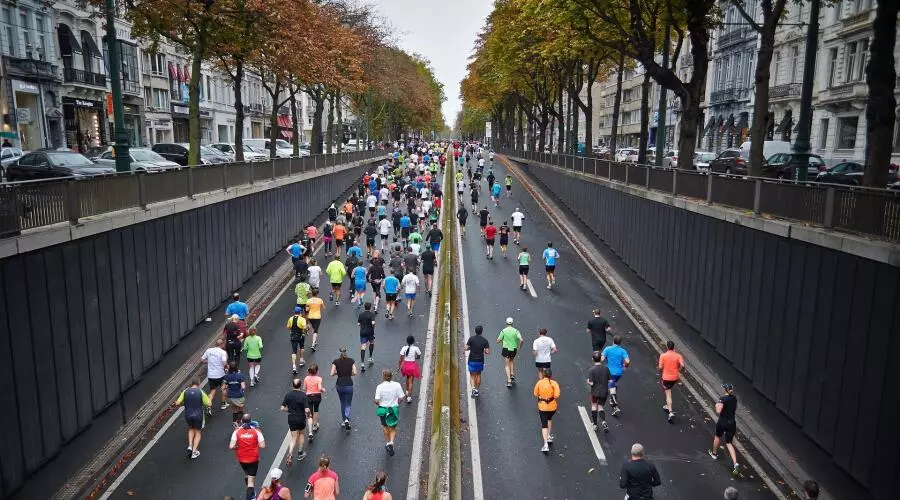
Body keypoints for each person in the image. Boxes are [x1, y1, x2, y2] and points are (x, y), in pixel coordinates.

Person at [231, 413, 266, 500]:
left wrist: (238, 447)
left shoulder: (237, 431)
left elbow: (231, 446)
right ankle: (251, 495)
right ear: (251, 421)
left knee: (247, 474)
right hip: (253, 459)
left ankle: (252, 493)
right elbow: (262, 445)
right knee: (251, 482)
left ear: (242, 421)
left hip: (242, 459)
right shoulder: (256, 431)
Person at [709, 383, 740, 476]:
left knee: (717, 437)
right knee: (729, 443)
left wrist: (717, 404)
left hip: (722, 422)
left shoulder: (722, 399)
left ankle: (714, 454)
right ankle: (735, 463)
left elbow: (718, 411)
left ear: (725, 390)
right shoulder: (734, 398)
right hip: (732, 423)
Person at [175, 380, 211, 459]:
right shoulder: (200, 391)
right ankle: (194, 452)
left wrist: (185, 403)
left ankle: (190, 446)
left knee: (191, 428)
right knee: (198, 432)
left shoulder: (185, 391)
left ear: (191, 384)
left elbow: (177, 403)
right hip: (198, 415)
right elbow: (209, 403)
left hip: (188, 415)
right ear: (198, 384)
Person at [374, 369, 405, 456]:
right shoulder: (397, 385)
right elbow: (401, 397)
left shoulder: (380, 387)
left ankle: (388, 442)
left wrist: (379, 404)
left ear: (383, 377)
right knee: (393, 427)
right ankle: (391, 442)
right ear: (391, 376)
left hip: (383, 409)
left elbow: (376, 400)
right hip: (393, 409)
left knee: (384, 426)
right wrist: (397, 403)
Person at [281, 378, 311, 466]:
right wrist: (308, 415)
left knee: (293, 437)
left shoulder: (288, 395)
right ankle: (300, 453)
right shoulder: (303, 395)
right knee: (301, 434)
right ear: (300, 385)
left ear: (292, 385)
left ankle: (290, 453)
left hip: (291, 418)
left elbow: (282, 408)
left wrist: (289, 410)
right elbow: (307, 409)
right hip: (301, 418)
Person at [601, 335, 630, 416]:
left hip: (610, 372)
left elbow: (602, 359)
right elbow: (627, 361)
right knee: (613, 384)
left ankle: (614, 405)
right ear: (620, 342)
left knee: (610, 385)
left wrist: (596, 359)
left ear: (613, 341)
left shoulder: (608, 349)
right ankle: (612, 398)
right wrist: (625, 366)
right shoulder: (623, 351)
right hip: (619, 373)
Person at [533, 368, 560, 453]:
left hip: (542, 407)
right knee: (549, 419)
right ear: (551, 376)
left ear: (544, 374)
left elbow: (535, 393)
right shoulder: (554, 383)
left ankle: (545, 445)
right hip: (552, 407)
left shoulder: (539, 383)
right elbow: (556, 395)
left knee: (544, 425)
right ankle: (548, 436)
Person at [331, 348, 357, 430]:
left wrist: (337, 372)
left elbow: (331, 373)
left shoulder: (335, 361)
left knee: (342, 402)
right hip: (349, 384)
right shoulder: (351, 361)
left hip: (339, 384)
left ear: (340, 353)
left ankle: (344, 419)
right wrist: (349, 373)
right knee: (348, 403)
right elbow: (355, 372)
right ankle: (347, 419)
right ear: (346, 352)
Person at [658, 340, 685, 423]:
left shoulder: (663, 355)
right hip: (675, 378)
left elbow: (660, 367)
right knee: (669, 391)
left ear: (667, 347)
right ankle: (667, 405)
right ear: (674, 347)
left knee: (668, 394)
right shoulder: (678, 356)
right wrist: (680, 371)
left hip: (666, 378)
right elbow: (683, 366)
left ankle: (670, 412)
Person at [201, 339, 229, 413]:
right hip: (220, 375)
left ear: (215, 344)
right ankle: (223, 404)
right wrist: (227, 366)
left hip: (211, 375)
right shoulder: (223, 352)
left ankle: (209, 406)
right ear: (222, 344)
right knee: (223, 388)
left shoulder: (208, 350)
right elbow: (224, 363)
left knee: (212, 391)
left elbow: (202, 360)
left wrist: (208, 361)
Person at [587, 351, 611, 433]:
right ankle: (603, 422)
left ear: (592, 359)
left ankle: (595, 424)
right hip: (604, 392)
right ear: (601, 359)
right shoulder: (606, 368)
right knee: (600, 407)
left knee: (594, 406)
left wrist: (588, 381)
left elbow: (592, 383)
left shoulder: (591, 370)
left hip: (595, 392)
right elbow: (610, 380)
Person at [497, 317, 523, 388]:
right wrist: (520, 346)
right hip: (514, 348)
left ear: (506, 322)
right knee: (512, 360)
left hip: (506, 349)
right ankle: (512, 373)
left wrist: (501, 341)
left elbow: (498, 340)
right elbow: (521, 339)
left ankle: (509, 380)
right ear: (512, 323)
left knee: (506, 364)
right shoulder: (516, 331)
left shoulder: (503, 331)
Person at [465, 325, 490, 398]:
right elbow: (487, 352)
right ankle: (477, 390)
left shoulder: (471, 339)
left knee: (472, 375)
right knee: (478, 374)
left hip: (472, 360)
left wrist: (470, 347)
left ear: (475, 331)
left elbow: (466, 348)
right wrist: (484, 350)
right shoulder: (485, 340)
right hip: (480, 360)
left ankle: (473, 389)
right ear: (482, 331)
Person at [398, 335, 422, 404]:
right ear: (413, 341)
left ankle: (407, 391)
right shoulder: (416, 348)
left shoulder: (404, 348)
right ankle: (409, 397)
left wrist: (399, 366)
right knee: (411, 381)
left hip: (405, 366)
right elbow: (419, 355)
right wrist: (416, 358)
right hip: (412, 366)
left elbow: (401, 358)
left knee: (407, 378)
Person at [304, 365, 324, 441]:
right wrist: (323, 390)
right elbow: (319, 388)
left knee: (309, 414)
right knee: (316, 410)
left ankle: (310, 432)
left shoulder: (306, 378)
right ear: (317, 371)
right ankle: (315, 425)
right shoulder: (319, 379)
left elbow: (303, 388)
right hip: (317, 396)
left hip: (308, 397)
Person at [287, 307, 308, 374]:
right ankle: (301, 360)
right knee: (302, 347)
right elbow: (305, 327)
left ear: (294, 312)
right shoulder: (302, 319)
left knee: (294, 350)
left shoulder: (290, 318)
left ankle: (294, 366)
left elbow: (288, 327)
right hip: (301, 335)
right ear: (300, 312)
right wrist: (306, 331)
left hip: (293, 336)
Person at [358, 302, 377, 369]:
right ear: (370, 307)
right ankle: (370, 357)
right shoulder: (372, 315)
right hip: (370, 332)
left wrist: (362, 327)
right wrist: (373, 327)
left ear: (364, 307)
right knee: (371, 343)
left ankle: (362, 363)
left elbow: (358, 324)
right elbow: (373, 323)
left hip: (362, 332)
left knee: (363, 346)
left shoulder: (361, 314)